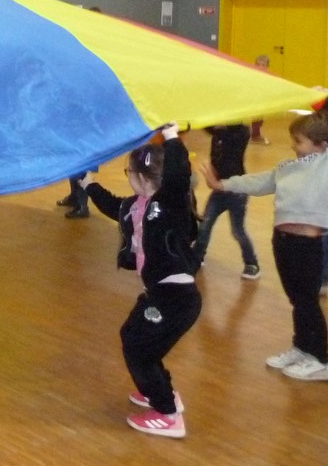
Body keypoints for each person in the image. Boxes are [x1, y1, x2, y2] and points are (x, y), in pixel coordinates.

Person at [81, 123, 200, 439]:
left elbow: (178, 176)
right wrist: (89, 184)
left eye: (127, 172)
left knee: (138, 350)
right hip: (161, 294)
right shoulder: (138, 205)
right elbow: (111, 206)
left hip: (175, 298)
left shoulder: (170, 203)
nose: (127, 177)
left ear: (141, 177)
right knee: (135, 338)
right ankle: (161, 392)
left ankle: (168, 415)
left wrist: (173, 138)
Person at [199, 110, 328, 381]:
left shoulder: (324, 166)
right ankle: (302, 346)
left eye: (300, 140)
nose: (294, 145)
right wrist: (221, 184)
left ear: (322, 145)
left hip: (308, 245)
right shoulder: (287, 167)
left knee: (306, 300)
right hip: (283, 242)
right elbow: (258, 182)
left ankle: (320, 358)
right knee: (297, 299)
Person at [194, 123, 259, 279]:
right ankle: (197, 256)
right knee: (205, 225)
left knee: (238, 230)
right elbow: (207, 126)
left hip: (237, 192)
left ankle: (252, 264)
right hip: (219, 190)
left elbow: (238, 131)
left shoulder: (238, 133)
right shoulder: (218, 132)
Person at [250, 55, 272, 144]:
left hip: (262, 100)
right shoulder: (254, 75)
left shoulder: (268, 76)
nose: (260, 67)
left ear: (267, 66)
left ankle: (255, 134)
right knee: (257, 118)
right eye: (258, 64)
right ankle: (255, 135)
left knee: (260, 119)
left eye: (263, 65)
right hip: (256, 100)